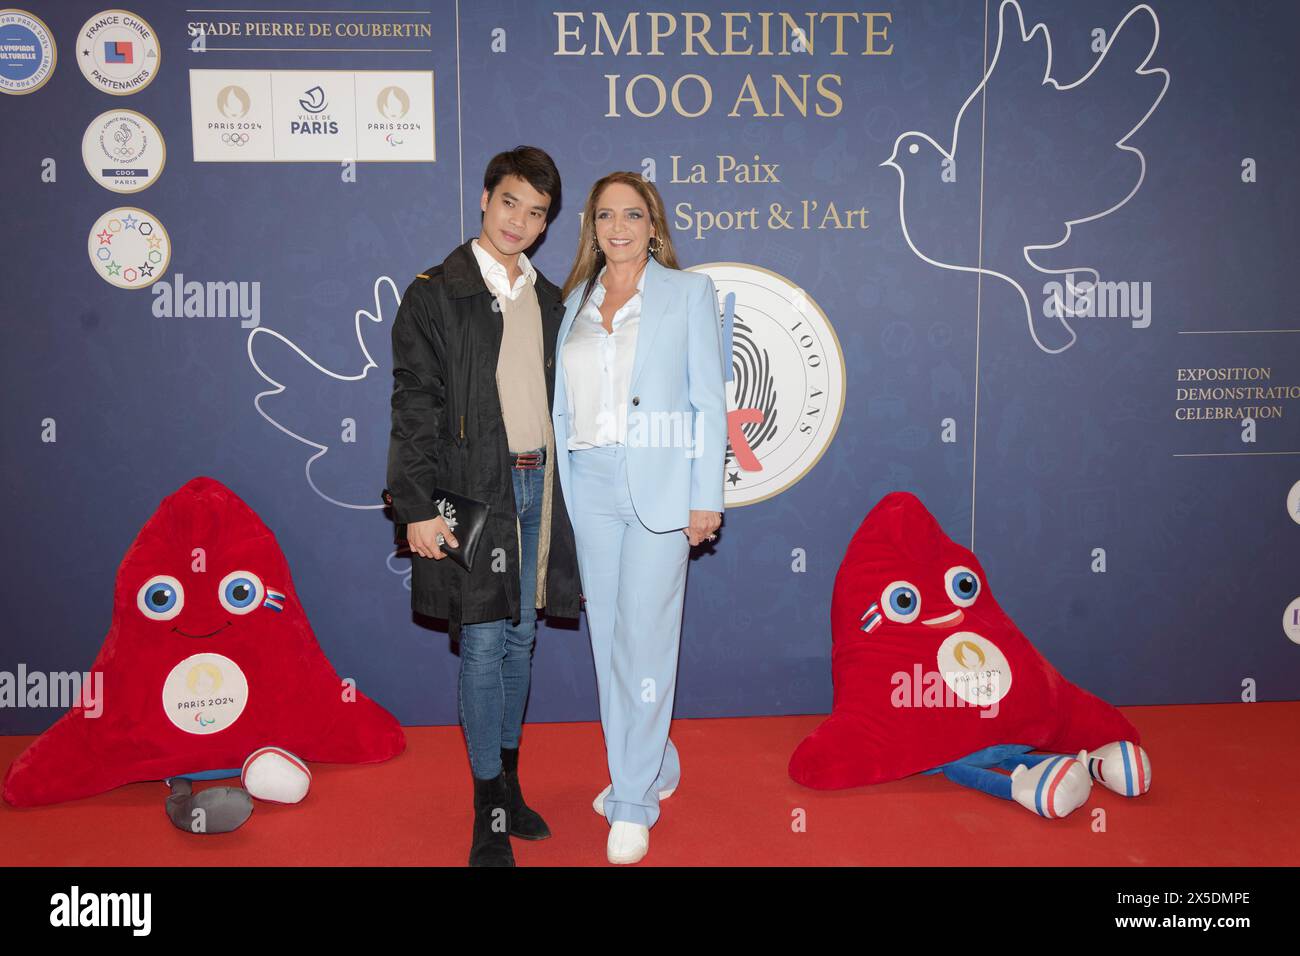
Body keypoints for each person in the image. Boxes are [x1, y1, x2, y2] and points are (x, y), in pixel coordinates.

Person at [385, 146, 581, 867]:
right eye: (510, 203)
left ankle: (511, 783)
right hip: (471, 493)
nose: (520, 222)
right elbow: (414, 406)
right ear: (484, 200)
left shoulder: (553, 298)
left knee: (524, 638)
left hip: (542, 488)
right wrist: (416, 504)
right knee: (485, 643)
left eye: (536, 213)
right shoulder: (436, 293)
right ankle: (487, 809)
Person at [553, 172, 728, 864]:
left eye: (632, 214)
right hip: (589, 483)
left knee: (648, 643)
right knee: (610, 643)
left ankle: (632, 798)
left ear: (653, 225)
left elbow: (708, 403)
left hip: (658, 482)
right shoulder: (571, 303)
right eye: (604, 216)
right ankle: (650, 763)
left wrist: (704, 495)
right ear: (591, 228)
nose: (617, 227)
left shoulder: (687, 294)